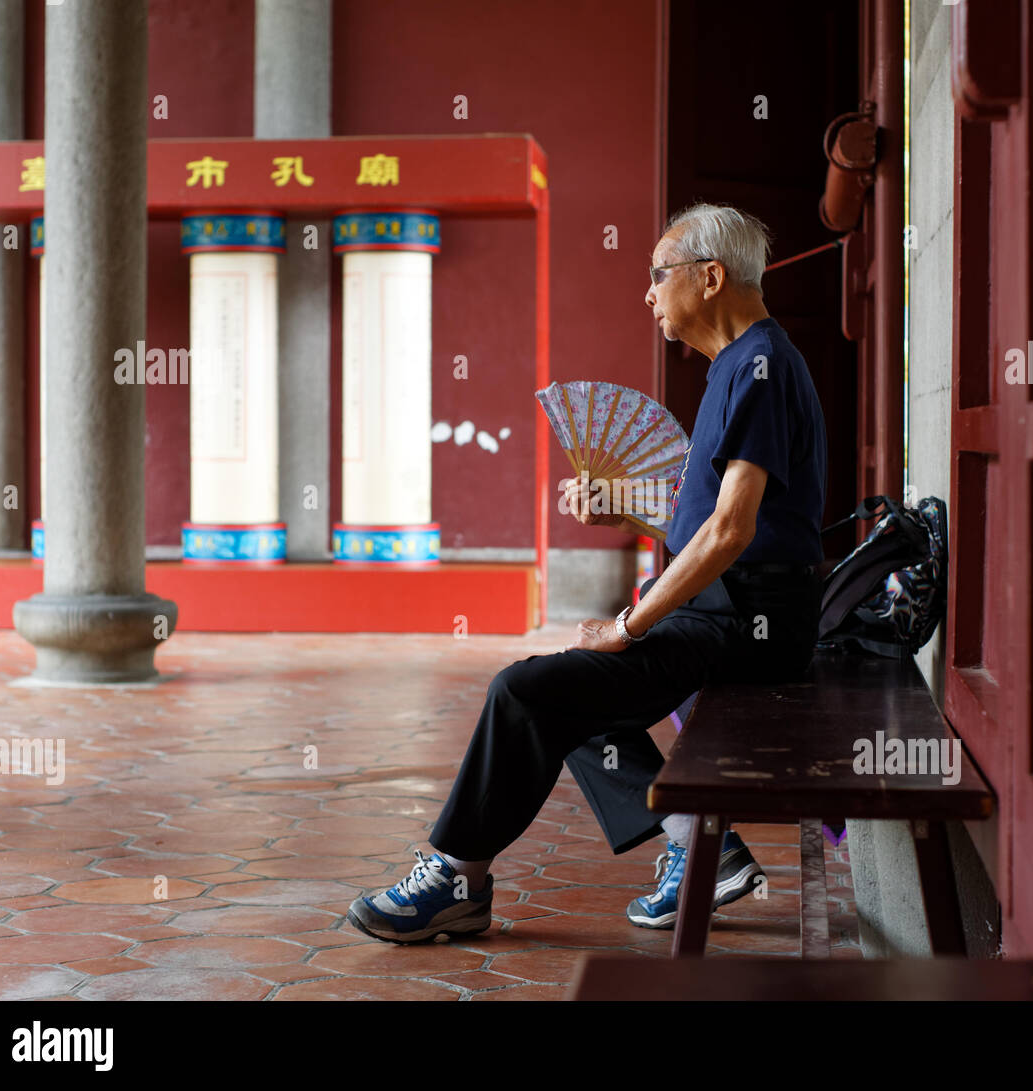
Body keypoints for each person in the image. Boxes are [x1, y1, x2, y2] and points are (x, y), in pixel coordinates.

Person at [347, 202, 828, 943]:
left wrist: (631, 624)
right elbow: (717, 523)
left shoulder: (759, 366)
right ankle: (701, 839)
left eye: (657, 275)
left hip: (746, 622)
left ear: (709, 277)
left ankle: (456, 874)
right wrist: (626, 513)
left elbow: (732, 531)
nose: (648, 293)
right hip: (724, 609)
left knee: (528, 688)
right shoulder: (738, 364)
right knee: (565, 688)